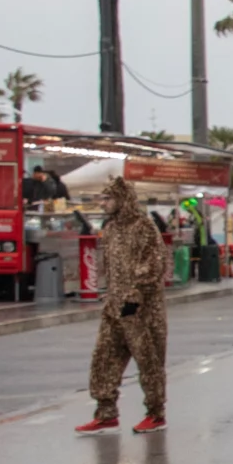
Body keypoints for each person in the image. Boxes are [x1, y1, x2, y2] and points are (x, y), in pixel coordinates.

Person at [76, 178, 168, 434]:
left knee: (149, 361)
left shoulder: (144, 227)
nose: (102, 203)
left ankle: (156, 412)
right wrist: (111, 294)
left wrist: (135, 293)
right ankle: (105, 412)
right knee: (104, 357)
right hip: (115, 306)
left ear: (122, 199)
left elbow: (155, 263)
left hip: (142, 310)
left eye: (107, 199)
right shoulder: (112, 228)